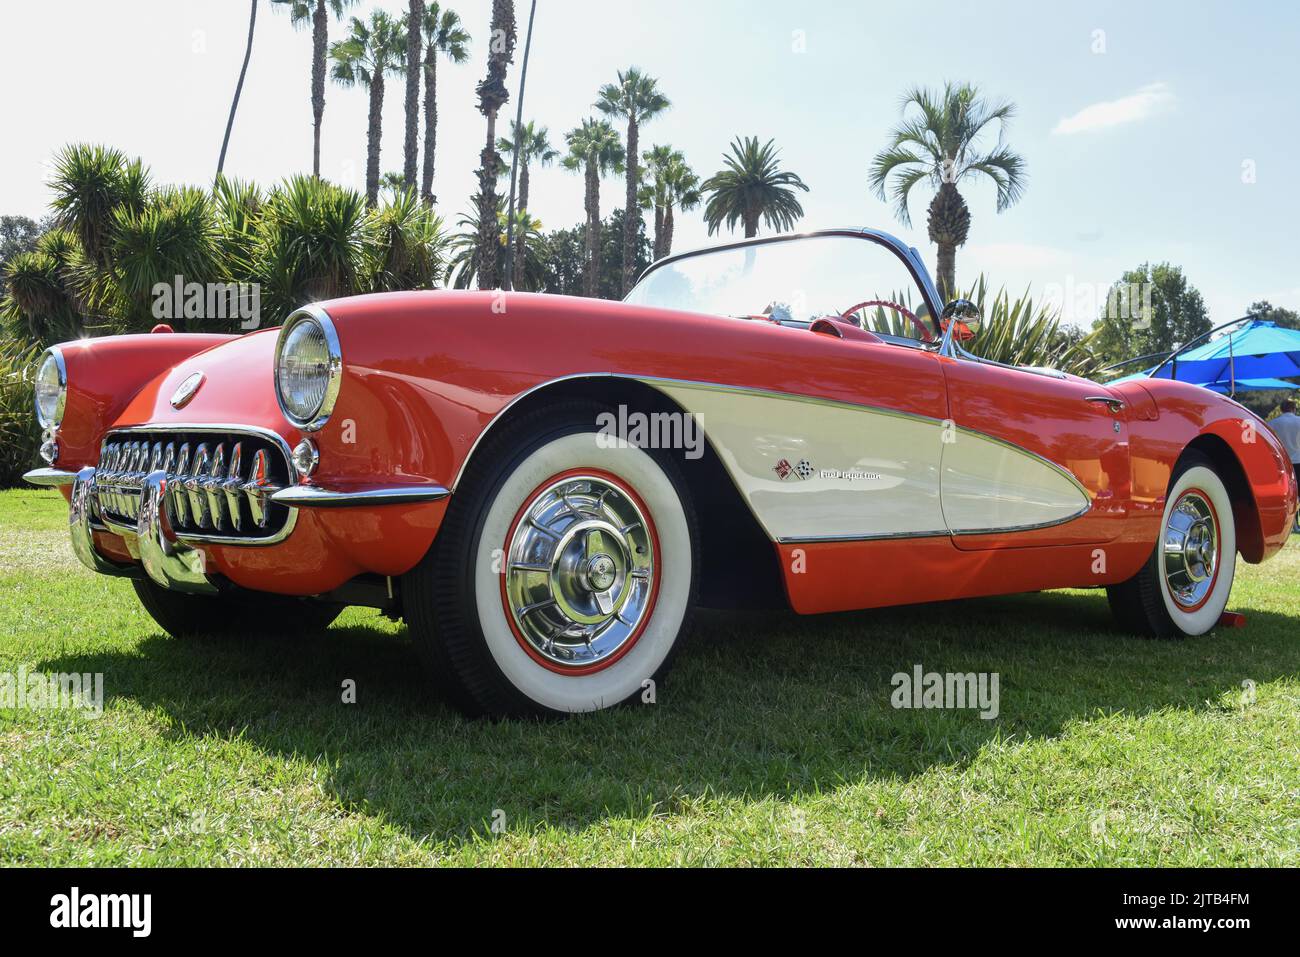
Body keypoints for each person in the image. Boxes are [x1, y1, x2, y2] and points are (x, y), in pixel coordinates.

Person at [1269, 398, 1300, 531]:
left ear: (1281, 409)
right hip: (1299, 460)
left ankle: (1292, 524)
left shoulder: (1273, 423)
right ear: (1294, 408)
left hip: (1283, 462)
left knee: (1289, 494)